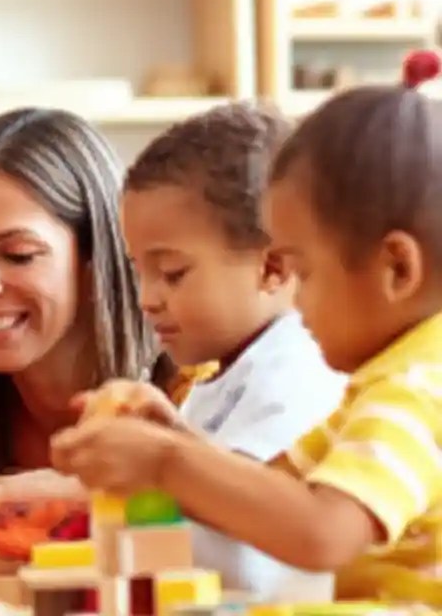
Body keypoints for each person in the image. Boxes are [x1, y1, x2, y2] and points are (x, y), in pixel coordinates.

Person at [51, 51, 442, 607]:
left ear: (397, 269)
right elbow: (278, 494)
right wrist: (174, 438)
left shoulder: (417, 390)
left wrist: (167, 461)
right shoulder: (387, 382)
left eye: (303, 272)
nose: (296, 300)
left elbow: (320, 533)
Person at [0, 107, 173, 525]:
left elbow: (254, 531)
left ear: (96, 257)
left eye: (18, 255)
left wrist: (76, 497)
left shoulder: (193, 391)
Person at [116, 103, 346, 596]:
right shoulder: (216, 376)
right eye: (140, 270)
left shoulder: (297, 372)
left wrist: (99, 487)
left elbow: (248, 552)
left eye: (172, 273)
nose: (145, 298)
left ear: (272, 268)